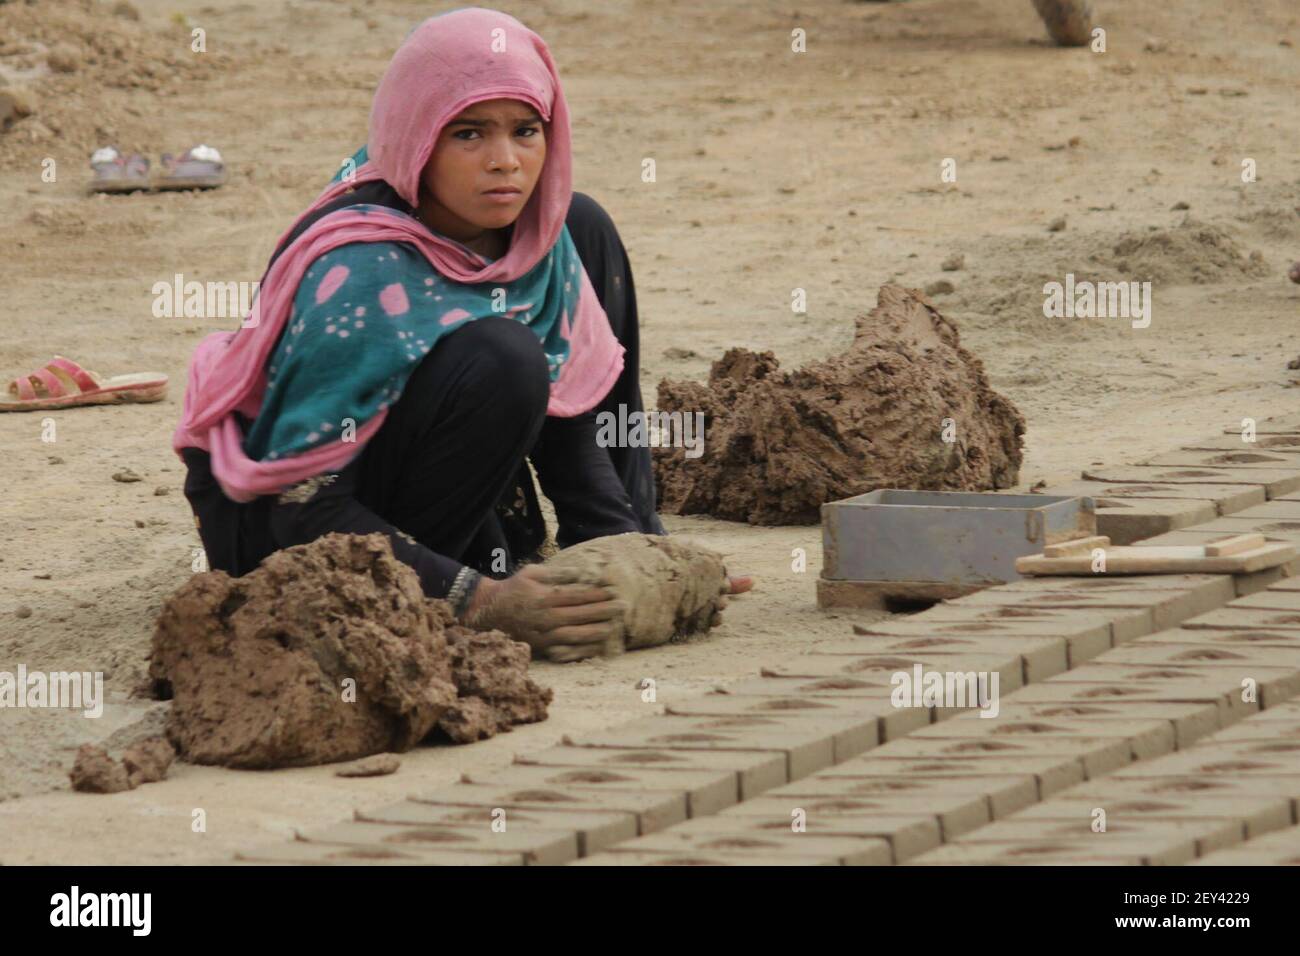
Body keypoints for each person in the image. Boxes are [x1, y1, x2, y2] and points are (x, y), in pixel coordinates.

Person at [173, 7, 750, 661]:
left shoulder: (530, 229)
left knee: (581, 226)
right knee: (506, 356)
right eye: (469, 134)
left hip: (408, 478)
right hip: (287, 530)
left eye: (526, 131)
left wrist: (641, 566)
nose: (505, 162)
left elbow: (568, 410)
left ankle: (625, 534)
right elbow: (300, 508)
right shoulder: (359, 273)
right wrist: (479, 600)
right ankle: (445, 581)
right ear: (417, 137)